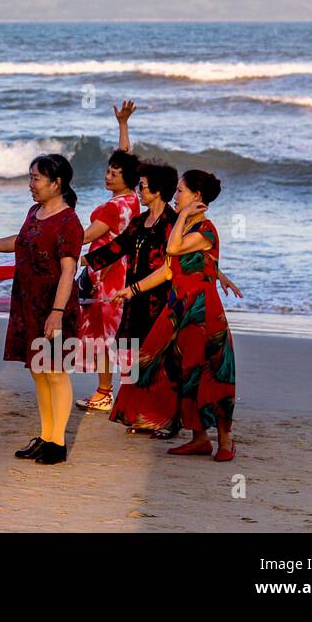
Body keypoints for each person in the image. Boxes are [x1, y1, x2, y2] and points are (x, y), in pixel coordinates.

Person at [111, 171, 237, 461]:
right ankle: (199, 438)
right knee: (180, 369)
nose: (176, 196)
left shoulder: (205, 230)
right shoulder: (187, 227)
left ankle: (226, 442)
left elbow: (173, 248)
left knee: (212, 371)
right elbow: (168, 270)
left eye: (181, 191)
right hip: (178, 306)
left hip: (202, 309)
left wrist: (180, 218)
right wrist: (132, 290)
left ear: (196, 197)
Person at [0, 154, 83, 464]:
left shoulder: (69, 221)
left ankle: (57, 444)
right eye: (31, 177)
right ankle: (46, 435)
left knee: (55, 372)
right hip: (26, 303)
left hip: (53, 305)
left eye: (36, 178)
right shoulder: (35, 212)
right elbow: (20, 241)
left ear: (56, 183)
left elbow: (68, 271)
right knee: (38, 371)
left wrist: (57, 313)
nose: (31, 184)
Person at [73, 101, 142, 412]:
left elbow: (88, 235)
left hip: (108, 275)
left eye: (113, 173)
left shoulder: (114, 207)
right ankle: (125, 395)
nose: (108, 175)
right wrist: (123, 126)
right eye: (108, 170)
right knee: (123, 336)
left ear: (125, 178)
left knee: (107, 335)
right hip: (125, 271)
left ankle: (106, 393)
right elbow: (127, 159)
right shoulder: (133, 200)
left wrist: (59, 241)